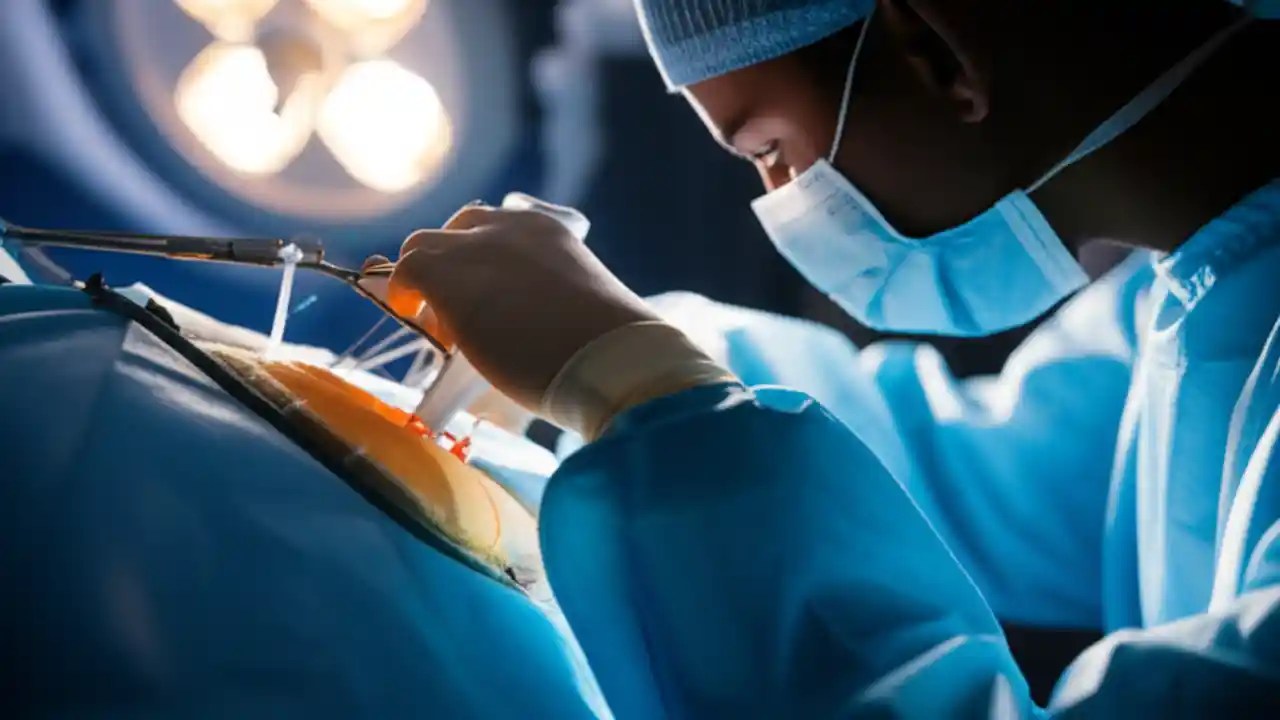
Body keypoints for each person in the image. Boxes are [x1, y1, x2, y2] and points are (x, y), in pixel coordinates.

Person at [375, 0, 1280, 716]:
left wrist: (646, 397)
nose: (781, 197)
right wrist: (653, 353)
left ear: (934, 48)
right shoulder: (1206, 292)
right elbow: (972, 473)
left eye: (769, 149)